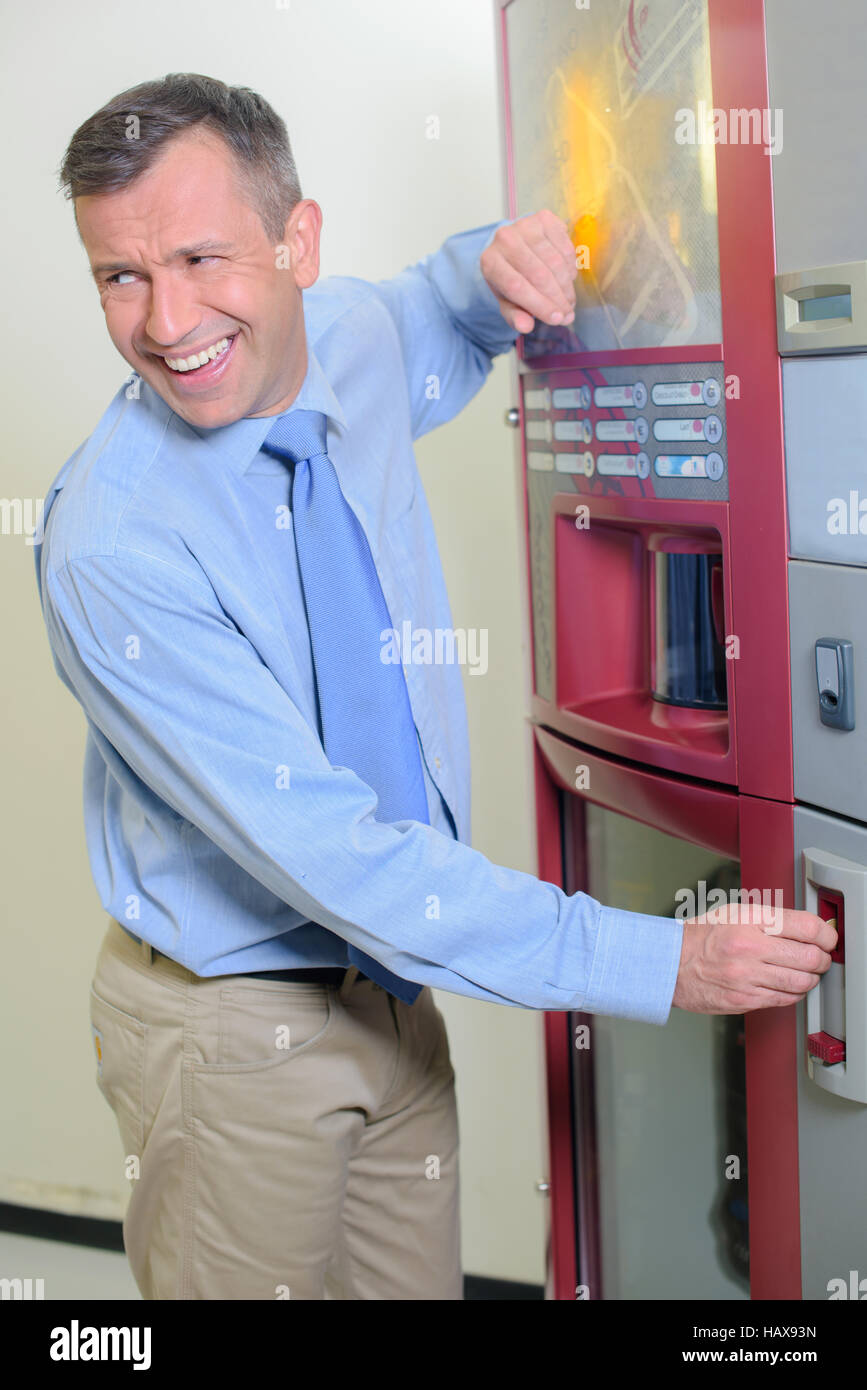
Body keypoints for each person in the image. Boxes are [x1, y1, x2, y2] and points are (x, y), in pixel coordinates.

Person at [34, 73, 835, 1301]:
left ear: (299, 241)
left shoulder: (344, 335)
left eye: (200, 256)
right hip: (235, 1032)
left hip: (397, 993)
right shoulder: (112, 549)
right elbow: (345, 863)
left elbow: (443, 305)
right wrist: (658, 964)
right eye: (119, 276)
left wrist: (497, 263)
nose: (165, 320)